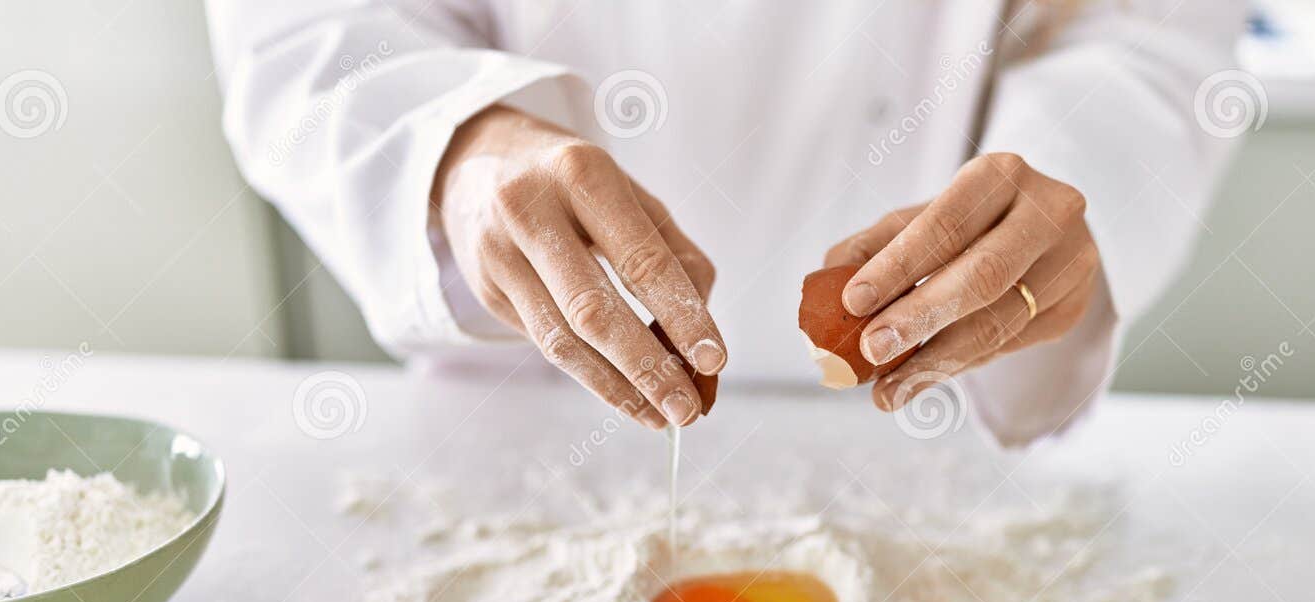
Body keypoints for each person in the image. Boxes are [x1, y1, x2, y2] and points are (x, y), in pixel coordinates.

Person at [206, 0, 1246, 444]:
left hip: (927, 417)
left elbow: (1143, 30)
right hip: (527, 412)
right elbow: (309, 28)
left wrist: (1058, 181)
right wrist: (455, 151)